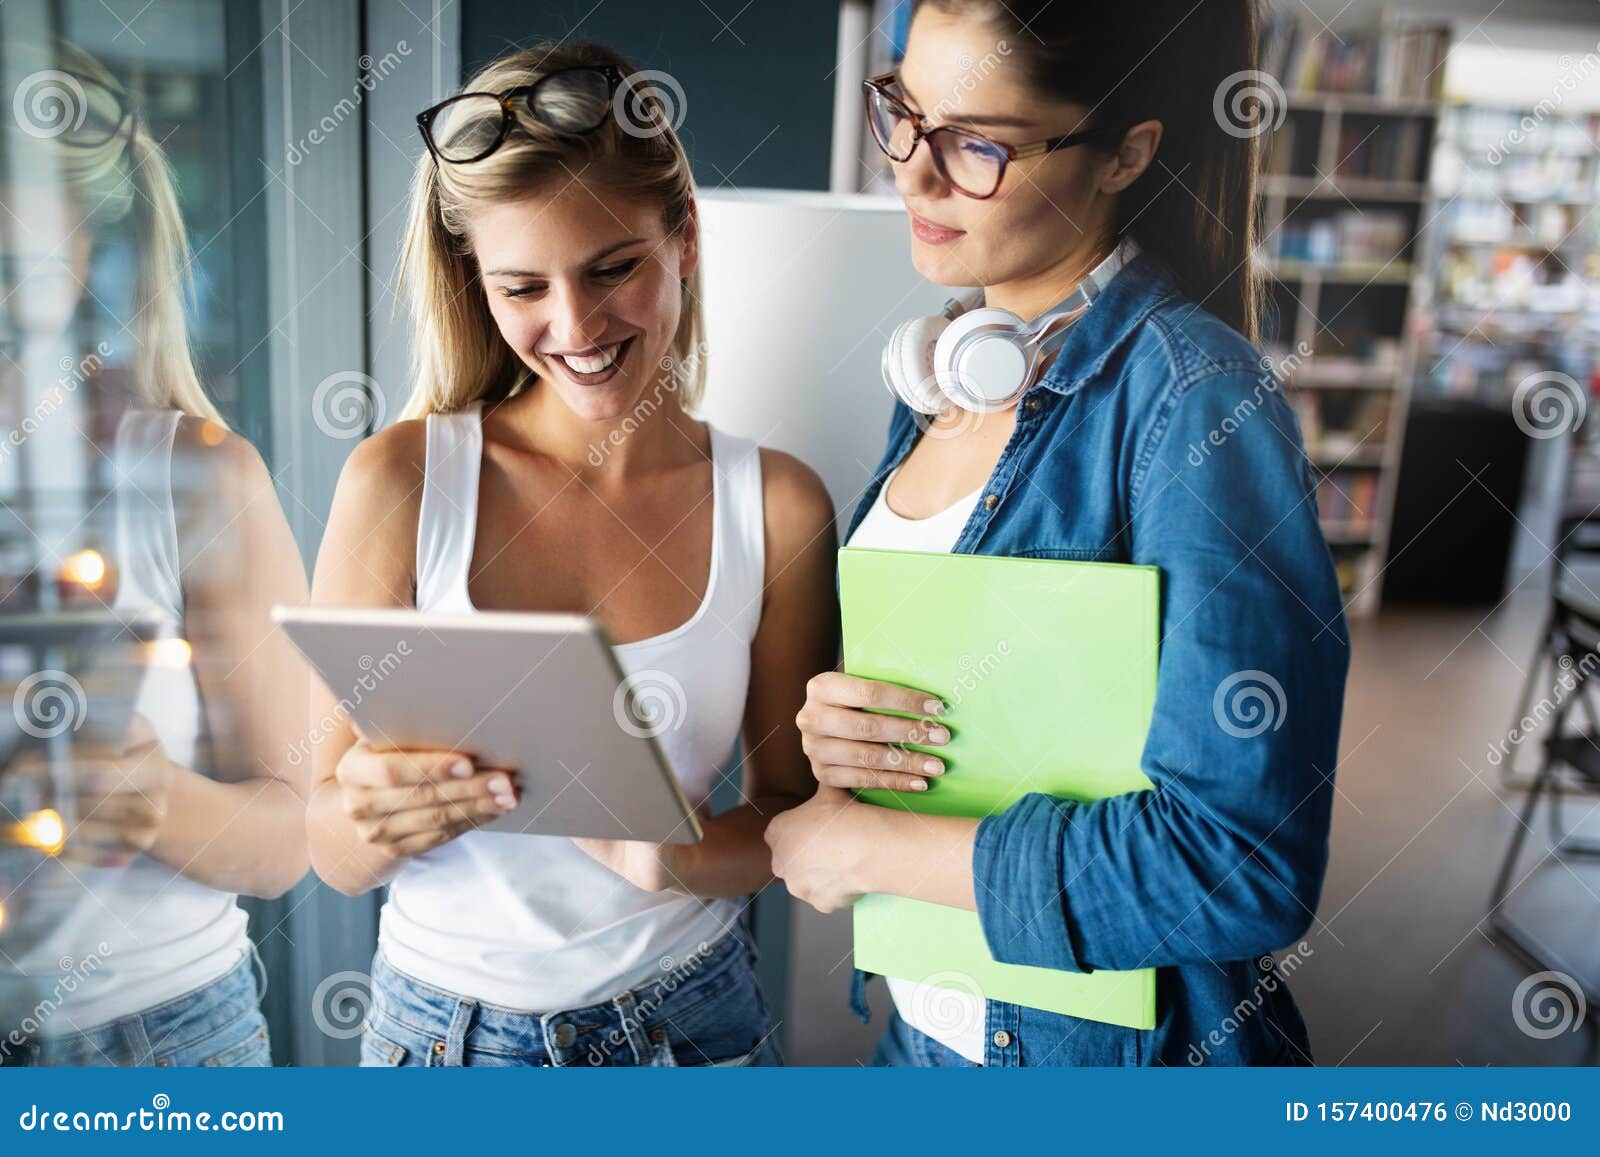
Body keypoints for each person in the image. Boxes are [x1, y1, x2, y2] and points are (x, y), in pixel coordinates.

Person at [766, 0, 1349, 1067]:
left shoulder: (1197, 404)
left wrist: (875, 844)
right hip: (927, 1037)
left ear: (1125, 153)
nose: (914, 171)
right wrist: (851, 734)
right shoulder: (948, 372)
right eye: (901, 110)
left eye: (978, 142)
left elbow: (1242, 862)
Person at [305, 41, 837, 1068]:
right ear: (476, 283)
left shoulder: (774, 503)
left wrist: (680, 855)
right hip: (438, 1039)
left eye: (612, 268)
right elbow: (330, 852)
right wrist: (379, 807)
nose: (576, 324)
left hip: (691, 1027)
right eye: (522, 288)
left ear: (682, 235)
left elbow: (789, 816)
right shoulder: (399, 482)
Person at [0, 40, 310, 1067]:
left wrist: (142, 797)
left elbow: (294, 835)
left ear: (84, 250)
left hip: (150, 1042)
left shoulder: (198, 480)